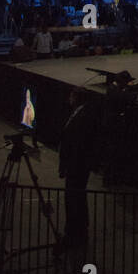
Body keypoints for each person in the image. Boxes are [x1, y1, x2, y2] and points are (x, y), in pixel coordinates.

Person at [55, 88, 96, 255]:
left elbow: (77, 144)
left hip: (76, 166)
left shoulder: (82, 117)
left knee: (73, 198)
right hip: (76, 165)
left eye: (71, 96)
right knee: (77, 197)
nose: (68, 98)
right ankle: (79, 230)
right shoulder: (79, 113)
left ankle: (74, 233)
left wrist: (68, 165)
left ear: (76, 98)